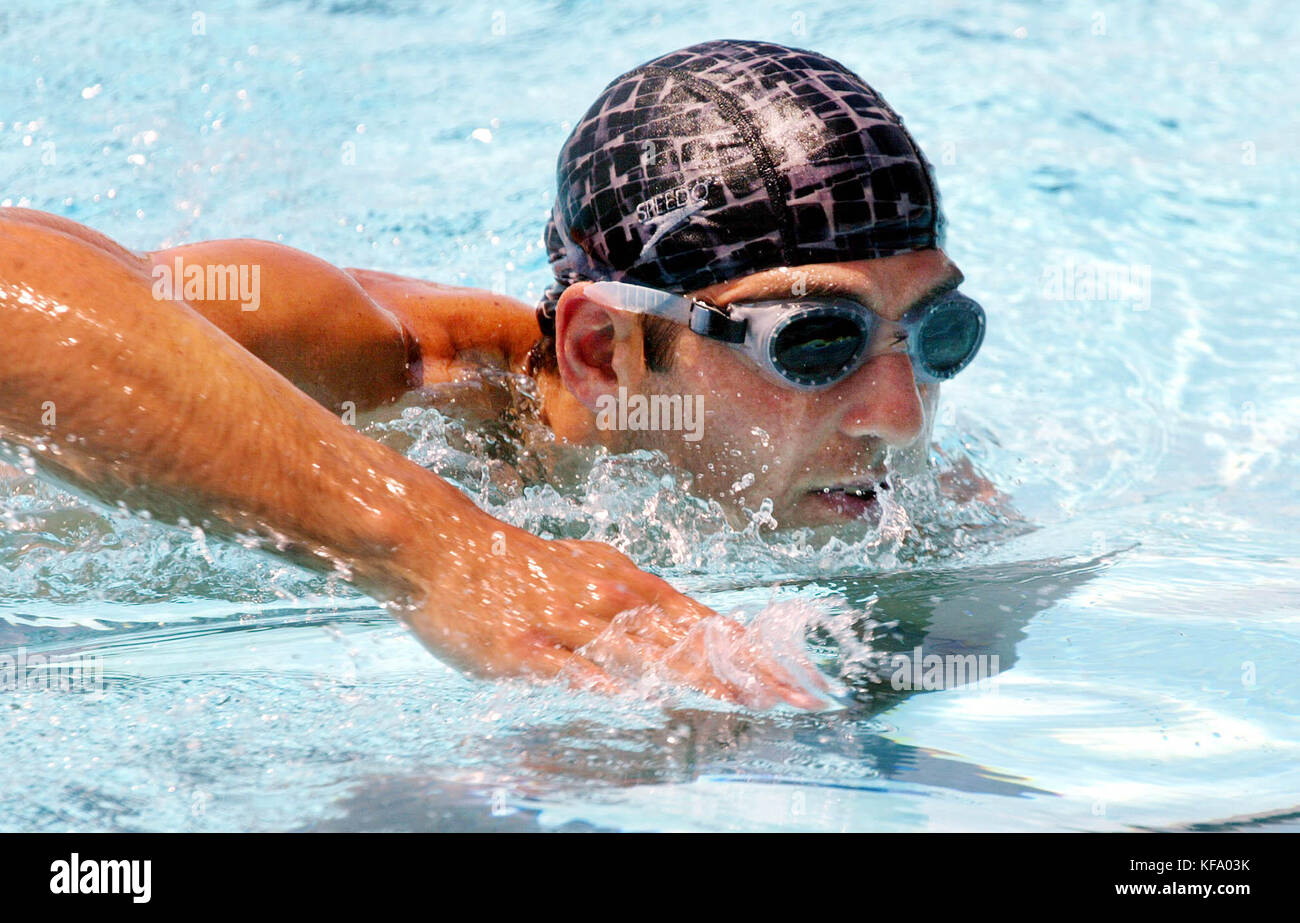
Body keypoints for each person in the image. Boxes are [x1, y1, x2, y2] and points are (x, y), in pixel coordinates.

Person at [0, 39, 986, 709]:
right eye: (814, 342)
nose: (898, 415)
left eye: (938, 333)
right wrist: (441, 552)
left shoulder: (907, 496)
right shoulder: (370, 365)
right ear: (605, 351)